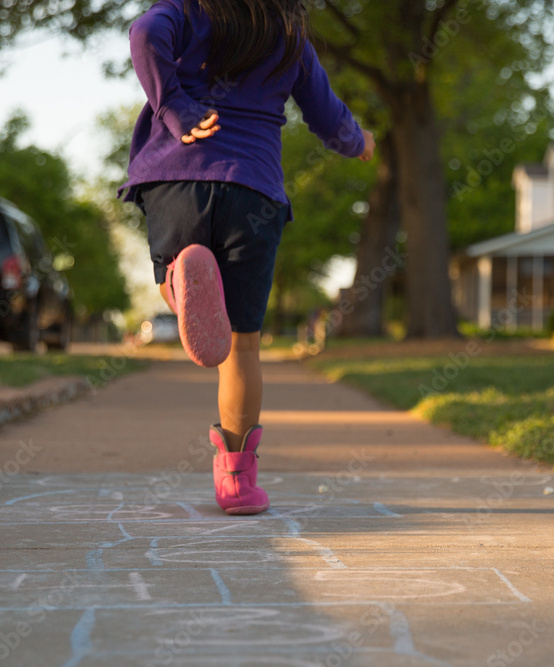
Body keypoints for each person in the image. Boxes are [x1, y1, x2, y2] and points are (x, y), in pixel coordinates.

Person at [119, 0, 375, 515]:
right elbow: (326, 115)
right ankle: (236, 481)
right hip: (252, 190)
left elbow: (144, 32)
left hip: (177, 177)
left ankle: (181, 281)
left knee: (179, 278)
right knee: (242, 347)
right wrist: (359, 141)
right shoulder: (287, 35)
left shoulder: (186, 11)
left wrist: (175, 106)